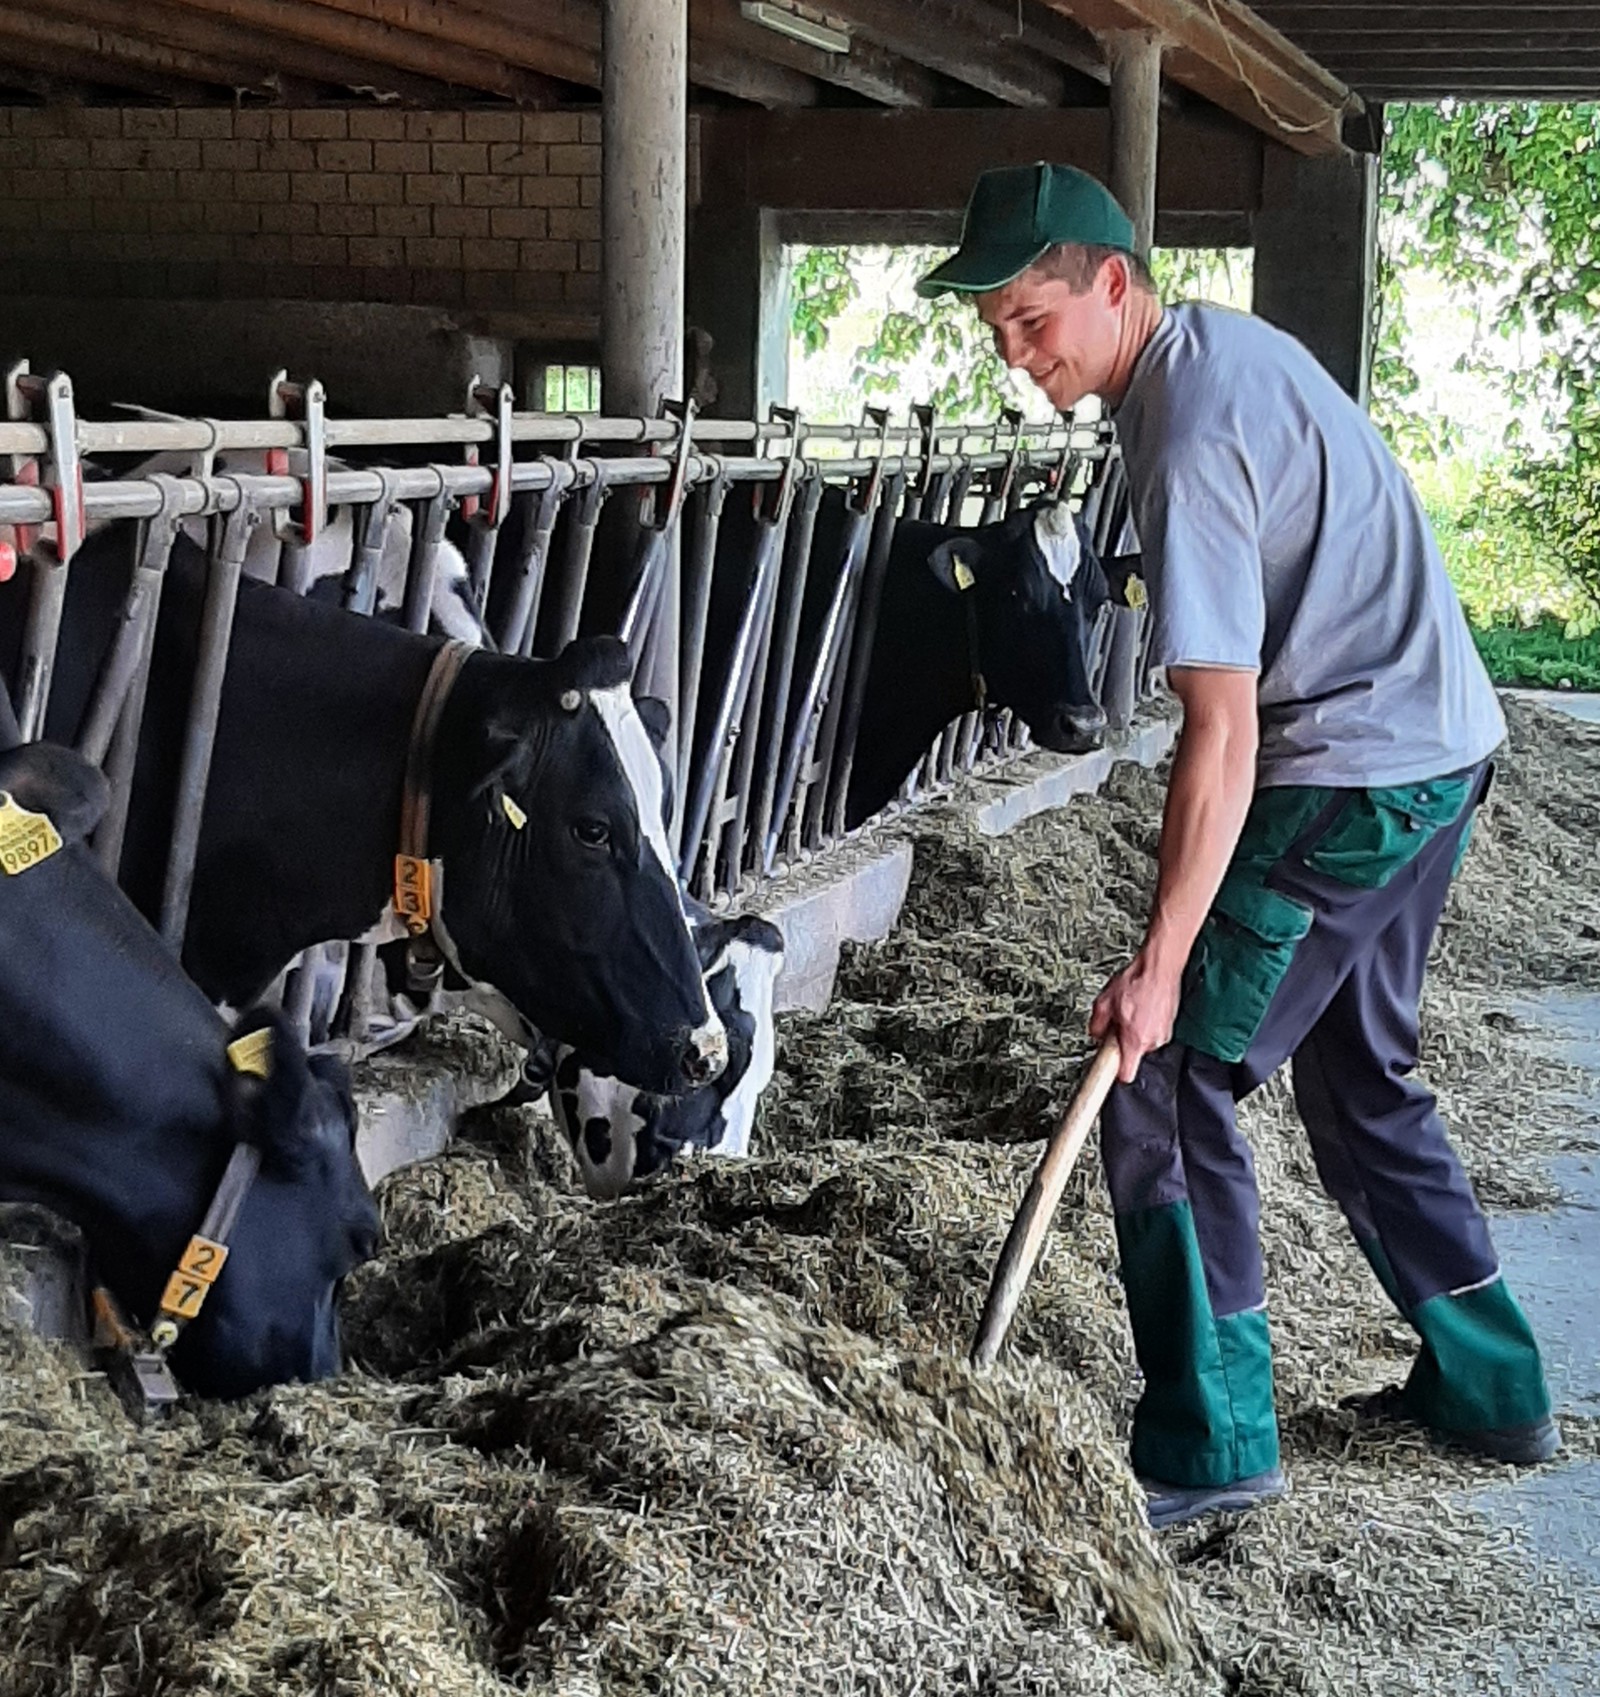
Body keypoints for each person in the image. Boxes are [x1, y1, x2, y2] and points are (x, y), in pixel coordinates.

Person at [917, 163, 1558, 1530]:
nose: (1021, 359)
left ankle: (1211, 1446)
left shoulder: (1183, 428)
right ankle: (1495, 1386)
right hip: (1437, 745)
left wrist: (1159, 965)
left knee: (1163, 1073)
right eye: (997, 335)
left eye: (1035, 320)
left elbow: (1221, 735)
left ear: (1113, 279)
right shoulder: (1217, 351)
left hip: (1358, 771)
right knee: (1357, 1073)